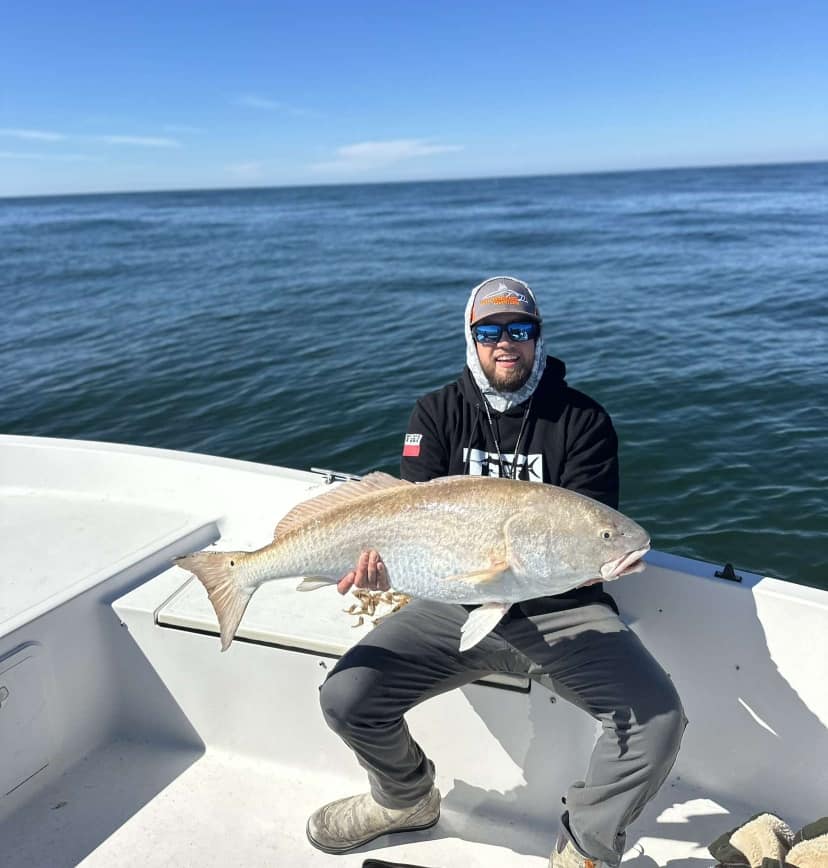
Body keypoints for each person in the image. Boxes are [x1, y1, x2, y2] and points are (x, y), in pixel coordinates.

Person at [307, 276, 687, 868]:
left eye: (519, 330)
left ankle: (584, 847)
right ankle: (405, 800)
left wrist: (594, 557)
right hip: (454, 604)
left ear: (537, 337)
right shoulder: (436, 412)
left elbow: (591, 544)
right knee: (346, 696)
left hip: (563, 612)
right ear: (471, 338)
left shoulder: (583, 421)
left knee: (658, 720)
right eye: (489, 331)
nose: (504, 343)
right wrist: (388, 575)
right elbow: (411, 525)